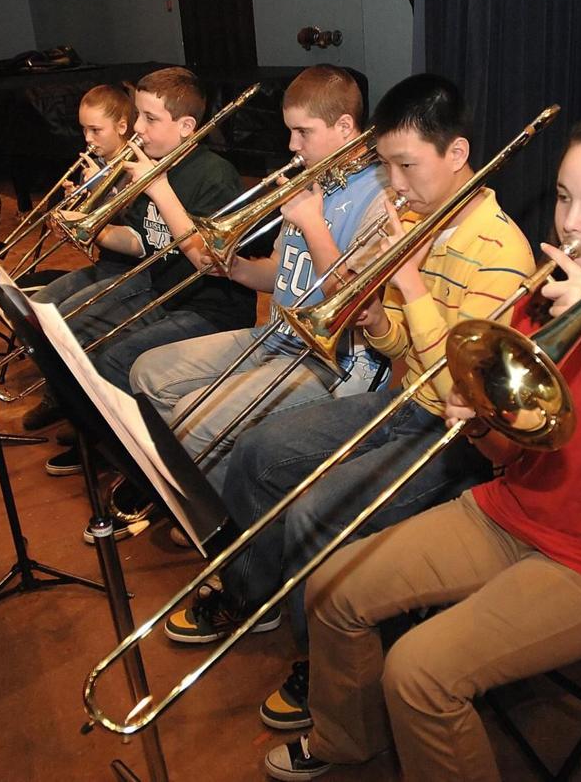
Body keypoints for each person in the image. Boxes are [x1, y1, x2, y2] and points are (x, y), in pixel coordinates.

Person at [263, 104, 581, 782]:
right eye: (563, 197)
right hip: (510, 511)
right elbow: (509, 456)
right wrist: (480, 418)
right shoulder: (542, 293)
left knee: (420, 671)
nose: (571, 223)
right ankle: (349, 741)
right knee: (333, 587)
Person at [164, 74, 537, 732]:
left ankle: (327, 670)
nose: (393, 184)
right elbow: (399, 344)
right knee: (258, 452)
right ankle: (256, 595)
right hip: (406, 400)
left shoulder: (501, 250)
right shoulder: (418, 216)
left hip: (460, 436)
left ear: (457, 154)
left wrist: (409, 283)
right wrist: (372, 318)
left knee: (317, 506)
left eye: (406, 166)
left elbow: (464, 392)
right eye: (387, 165)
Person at [116, 64, 388, 518]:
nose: (291, 146)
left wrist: (313, 223)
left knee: (193, 420)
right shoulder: (314, 178)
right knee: (147, 373)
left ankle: (230, 528)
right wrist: (237, 268)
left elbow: (354, 303)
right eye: (289, 131)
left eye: (303, 132)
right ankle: (202, 491)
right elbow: (284, 272)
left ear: (345, 128)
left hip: (330, 361)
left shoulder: (379, 195)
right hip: (276, 334)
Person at [35, 67, 255, 479]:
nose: (137, 128)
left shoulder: (213, 175)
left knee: (116, 360)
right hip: (162, 290)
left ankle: (144, 469)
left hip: (209, 307)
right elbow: (140, 241)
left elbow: (208, 262)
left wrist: (159, 188)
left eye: (150, 119)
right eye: (138, 116)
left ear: (186, 127)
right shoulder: (153, 160)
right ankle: (102, 435)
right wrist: (91, 225)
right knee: (71, 330)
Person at [20, 83, 137, 431]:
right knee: (37, 309)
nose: (87, 138)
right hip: (107, 263)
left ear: (122, 126)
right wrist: (77, 202)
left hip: (133, 268)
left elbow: (137, 230)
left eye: (96, 129)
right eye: (84, 129)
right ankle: (61, 394)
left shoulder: (135, 166)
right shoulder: (96, 163)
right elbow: (88, 238)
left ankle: (89, 410)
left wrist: (96, 205)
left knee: (71, 321)